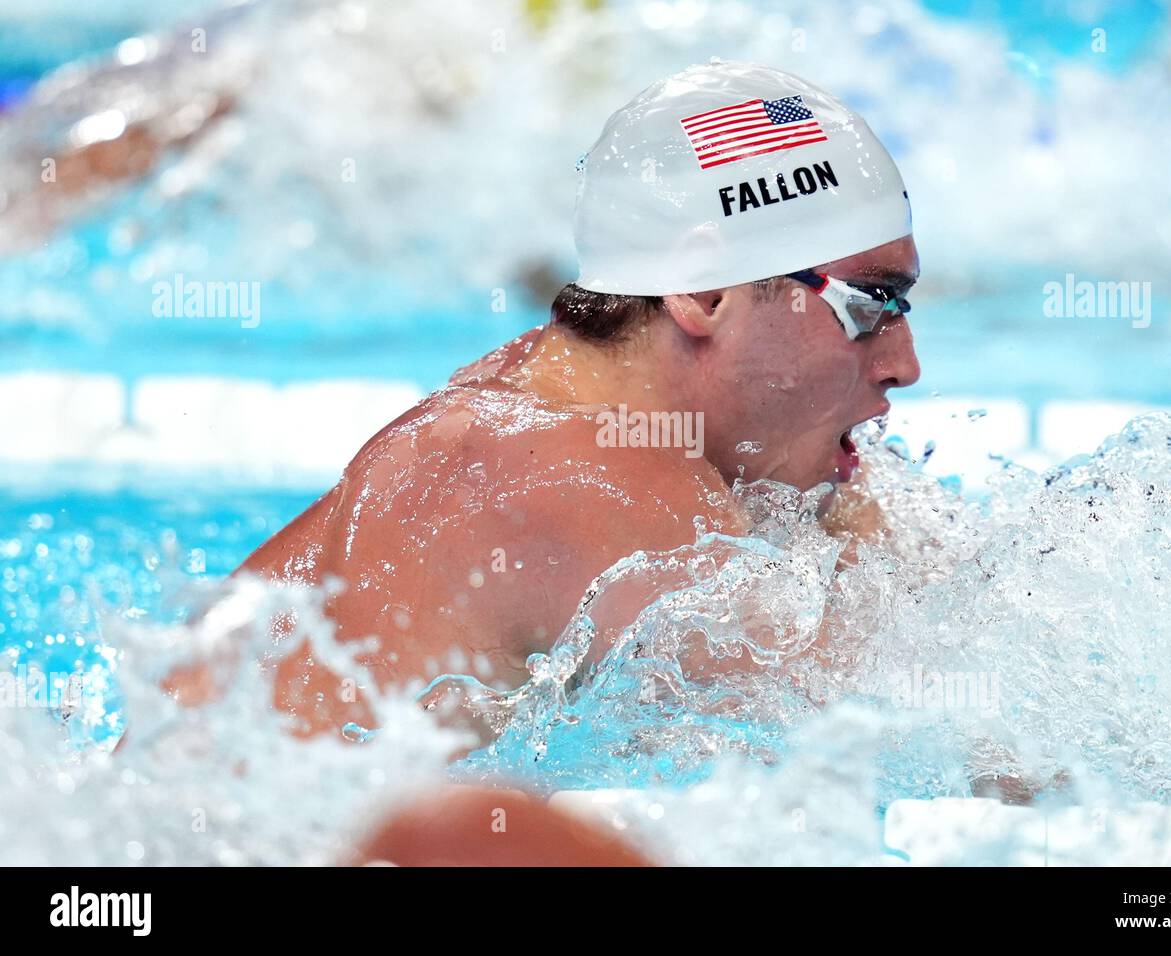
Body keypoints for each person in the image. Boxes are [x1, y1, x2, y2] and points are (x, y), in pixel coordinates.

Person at [175, 60, 920, 737]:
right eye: (872, 303)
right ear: (705, 293)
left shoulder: (547, 398)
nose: (903, 364)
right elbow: (928, 741)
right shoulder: (575, 476)